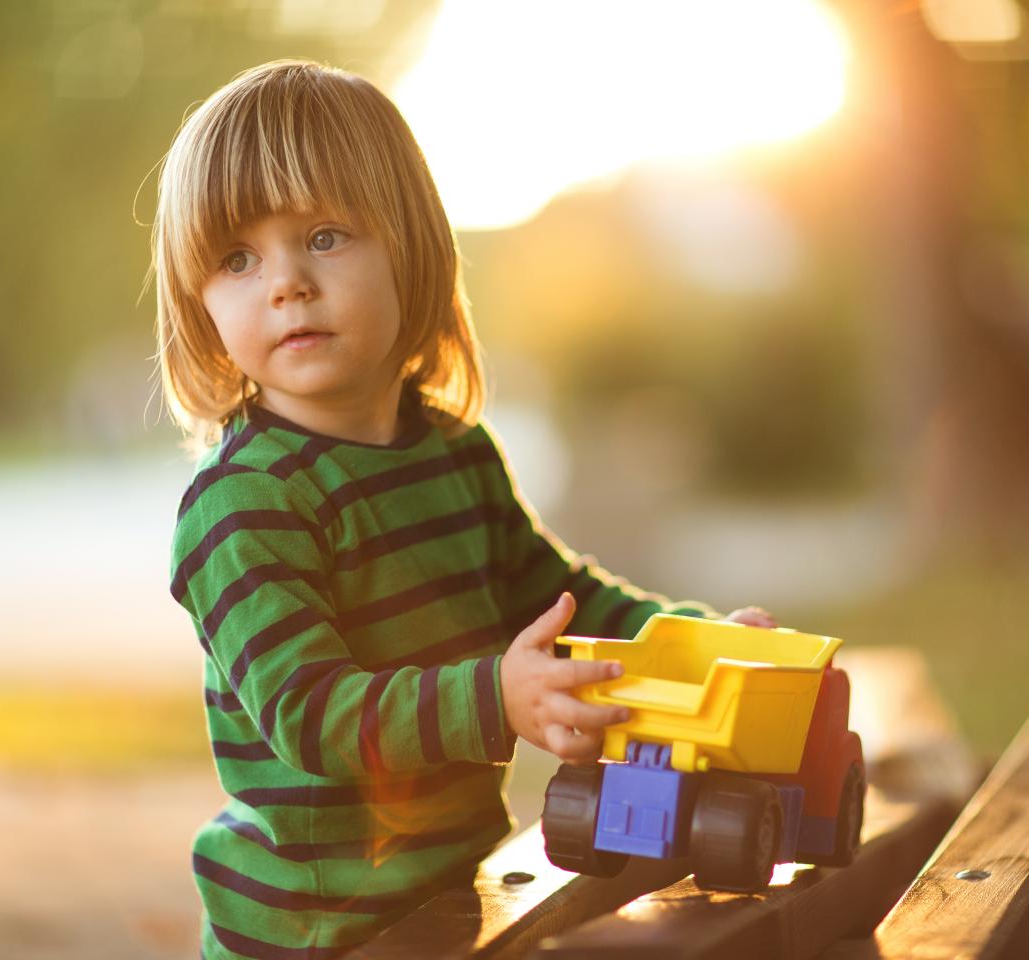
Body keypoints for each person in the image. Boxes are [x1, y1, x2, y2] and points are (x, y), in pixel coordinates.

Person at [153, 59, 776, 959]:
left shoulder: (454, 451)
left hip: (456, 896)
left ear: (408, 247)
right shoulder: (244, 504)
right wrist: (496, 698)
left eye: (324, 236)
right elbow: (309, 715)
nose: (285, 282)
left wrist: (697, 649)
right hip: (317, 934)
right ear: (199, 300)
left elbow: (561, 603)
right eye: (237, 259)